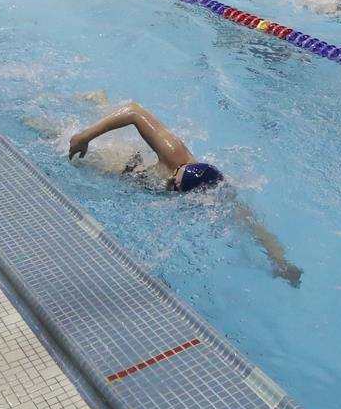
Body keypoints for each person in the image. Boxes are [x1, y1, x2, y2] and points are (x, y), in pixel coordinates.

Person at [68, 100, 299, 286]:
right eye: (174, 178)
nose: (169, 182)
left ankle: (98, 101)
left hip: (135, 179)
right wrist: (84, 137)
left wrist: (280, 261)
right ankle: (95, 102)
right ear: (180, 167)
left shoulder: (216, 194)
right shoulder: (174, 154)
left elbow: (256, 227)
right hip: (126, 163)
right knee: (63, 146)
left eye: (174, 187)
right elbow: (134, 111)